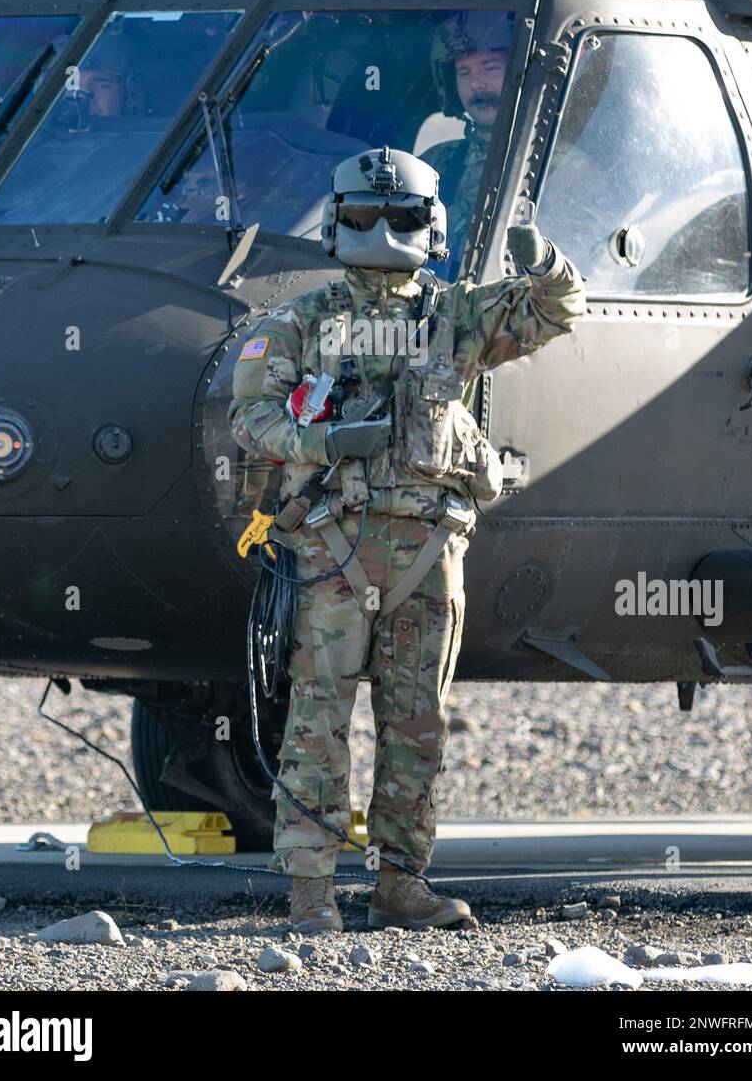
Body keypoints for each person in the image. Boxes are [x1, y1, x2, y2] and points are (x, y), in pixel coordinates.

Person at [228, 146, 585, 933]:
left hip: (430, 547)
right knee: (318, 717)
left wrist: (547, 264)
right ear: (335, 223)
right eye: (362, 215)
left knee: (417, 719)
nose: (381, 229)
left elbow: (559, 311)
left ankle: (401, 883)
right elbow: (249, 416)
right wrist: (324, 447)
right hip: (332, 545)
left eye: (400, 217)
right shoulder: (301, 321)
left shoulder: (457, 315)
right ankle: (310, 893)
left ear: (431, 226)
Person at [422, 11, 513, 278]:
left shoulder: (560, 170)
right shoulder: (435, 162)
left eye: (490, 68)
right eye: (464, 72)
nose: (476, 83)